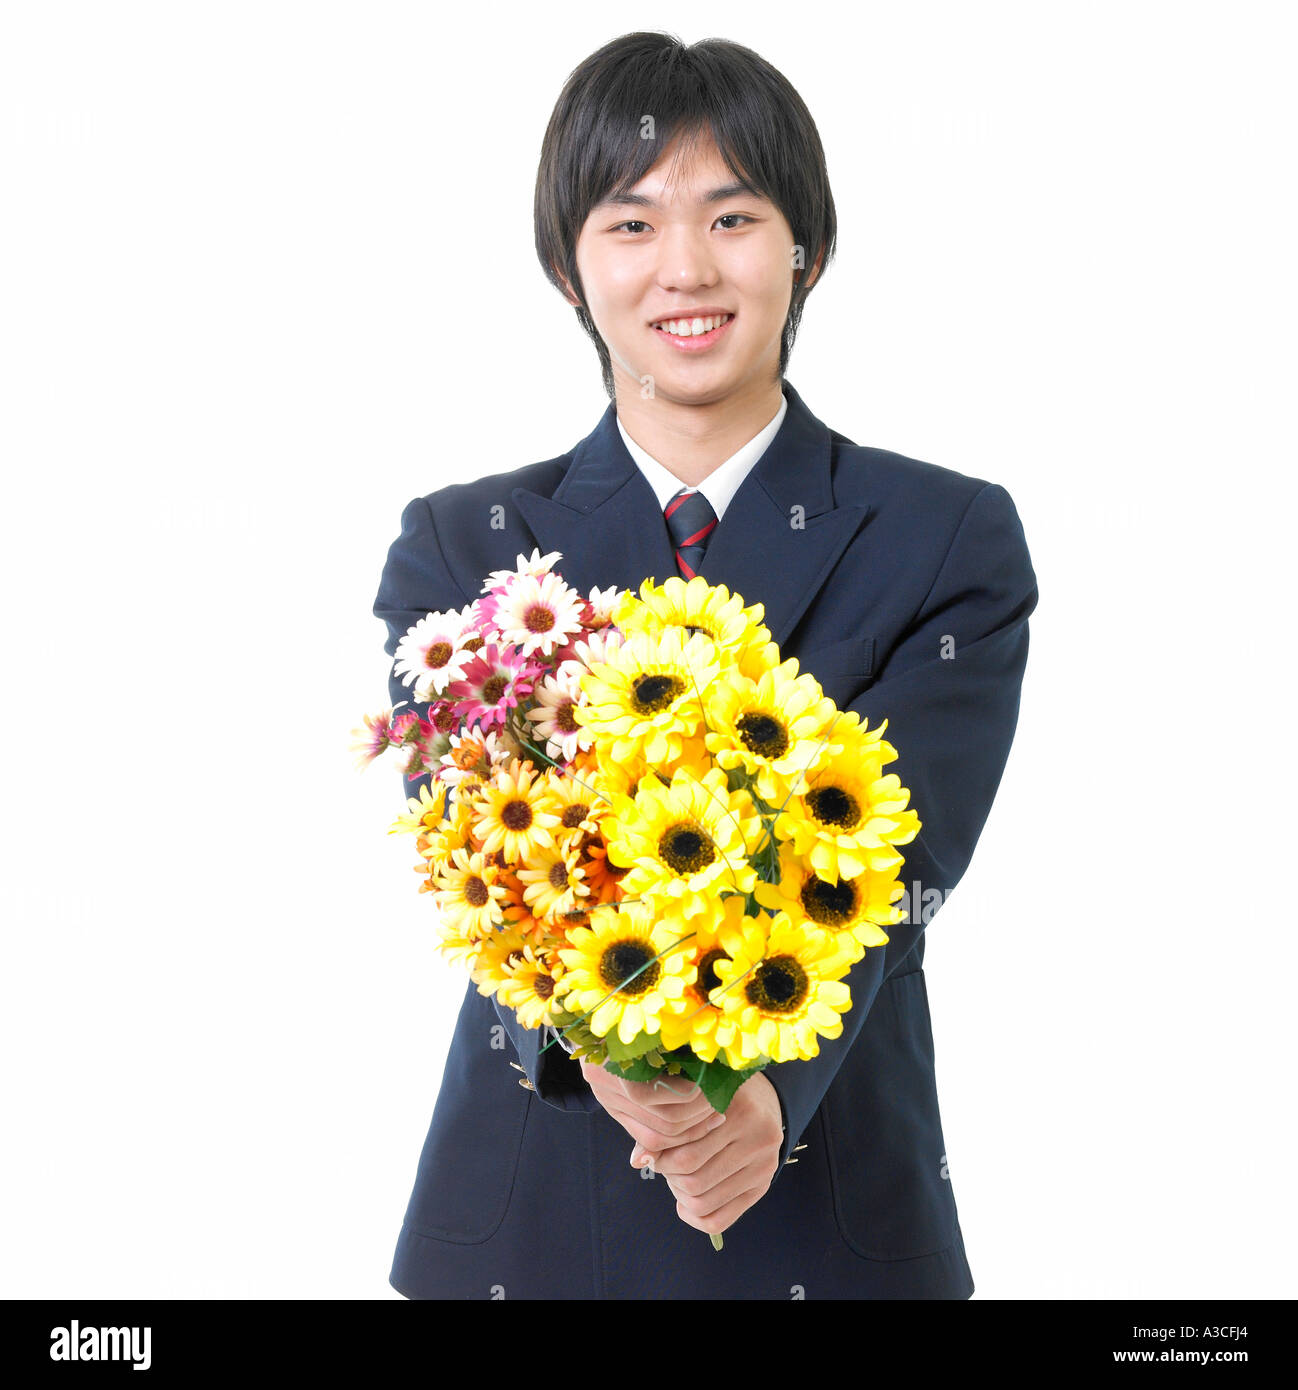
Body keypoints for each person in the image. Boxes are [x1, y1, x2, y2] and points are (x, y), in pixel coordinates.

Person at [371, 31, 1037, 1299]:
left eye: (731, 216)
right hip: (525, 1221)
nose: (684, 268)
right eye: (629, 225)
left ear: (806, 250)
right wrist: (604, 1055)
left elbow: (901, 865)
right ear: (569, 271)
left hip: (836, 1212)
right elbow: (480, 864)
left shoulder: (945, 535)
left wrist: (760, 1091)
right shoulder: (464, 550)